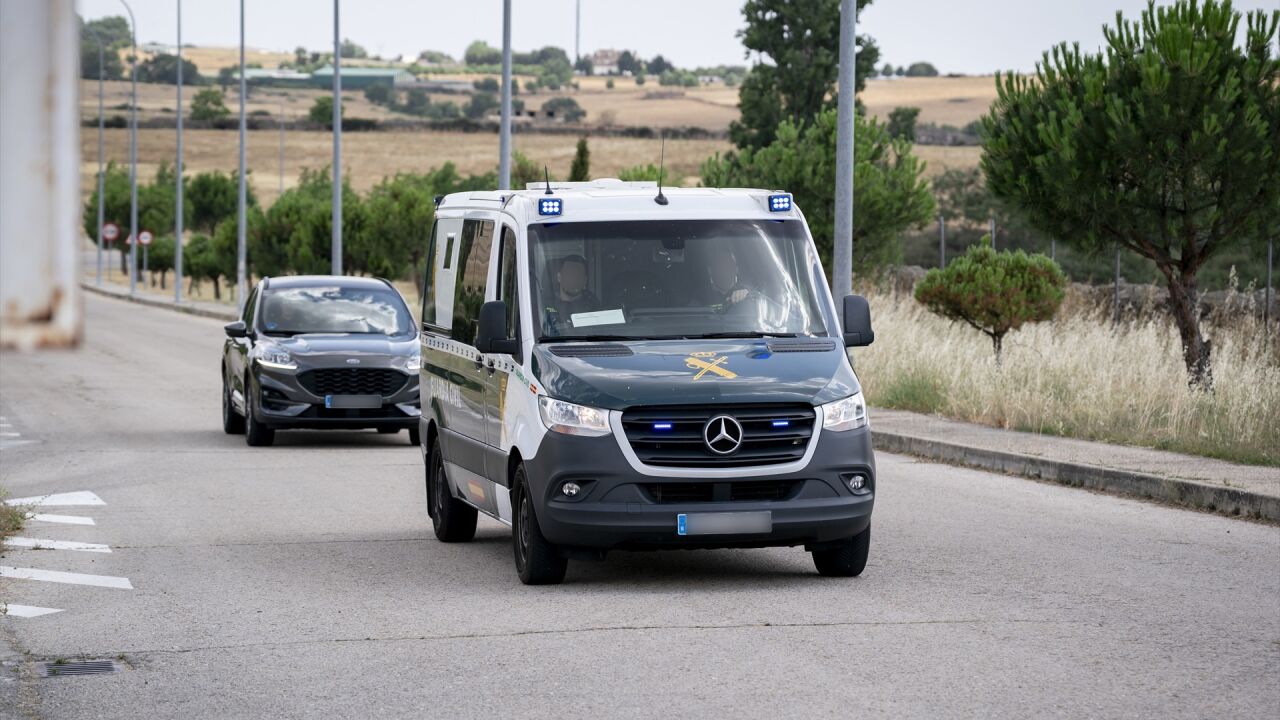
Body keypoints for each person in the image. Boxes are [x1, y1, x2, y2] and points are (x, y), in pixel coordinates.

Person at [546, 254, 600, 329]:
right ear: (559, 277)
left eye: (578, 274)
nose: (574, 277)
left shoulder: (593, 306)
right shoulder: (547, 305)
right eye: (569, 272)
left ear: (585, 280)